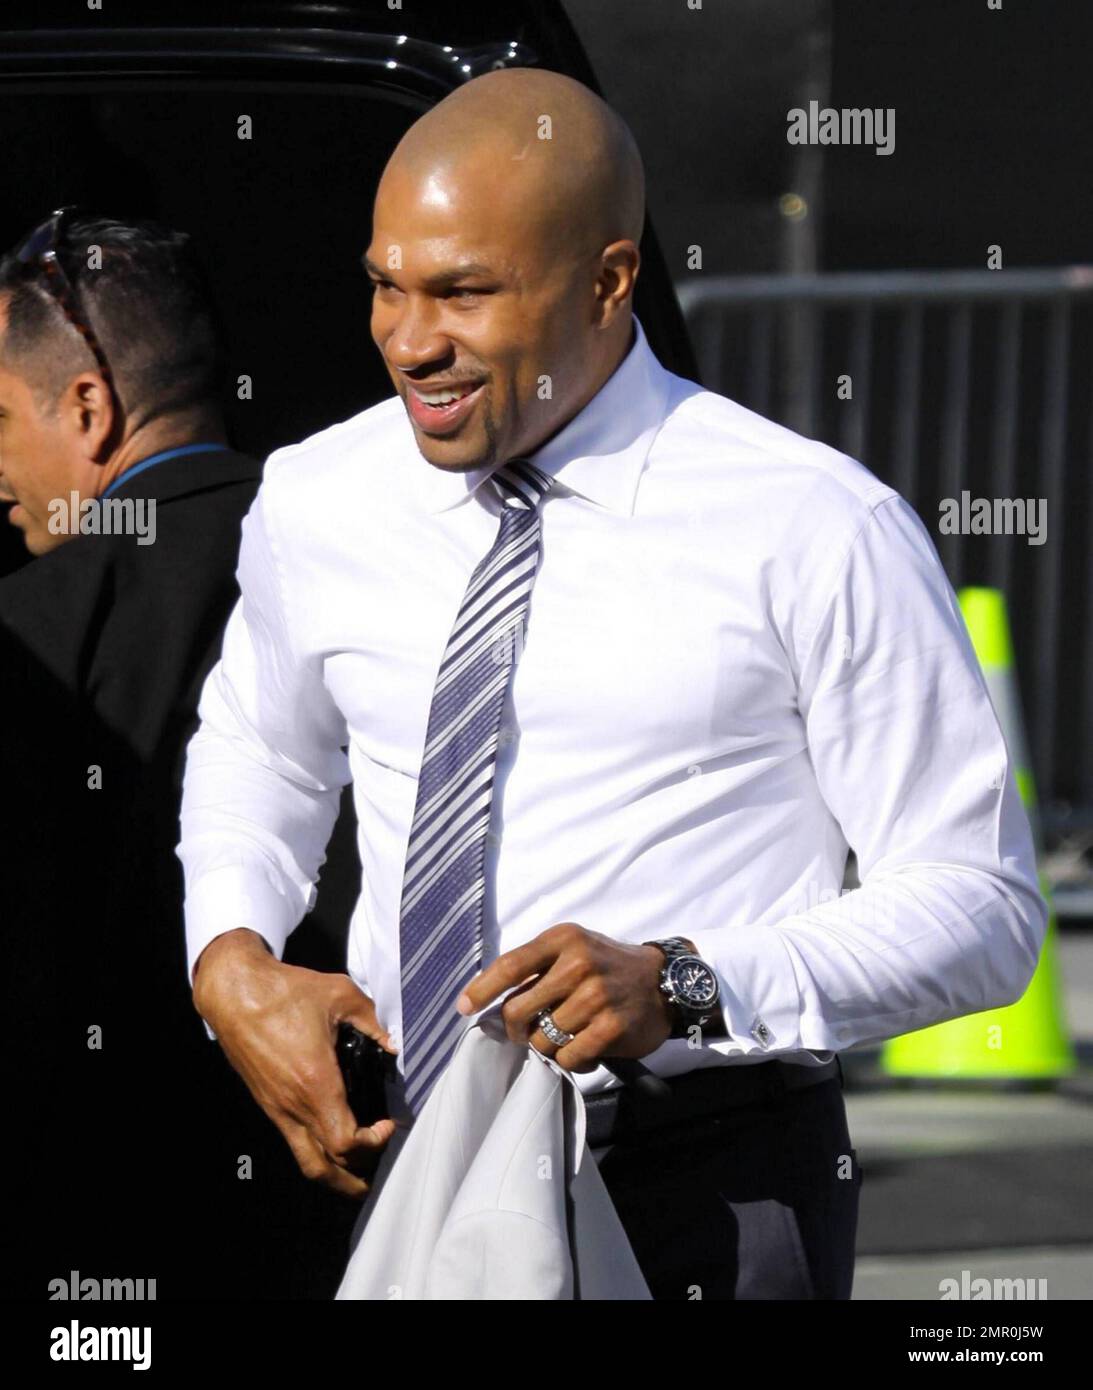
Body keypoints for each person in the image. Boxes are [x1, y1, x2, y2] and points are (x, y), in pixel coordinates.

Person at [177, 69, 1047, 1300]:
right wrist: (230, 958)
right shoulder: (320, 497)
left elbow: (979, 907)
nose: (409, 339)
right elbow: (260, 750)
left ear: (608, 279)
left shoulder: (811, 525)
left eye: (466, 292)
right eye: (386, 283)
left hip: (700, 1191)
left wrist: (683, 982)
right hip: (395, 1162)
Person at [0, 211, 347, 1299]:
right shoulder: (359, 567)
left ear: (89, 407)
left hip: (98, 1232)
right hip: (355, 1194)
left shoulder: (25, 634)